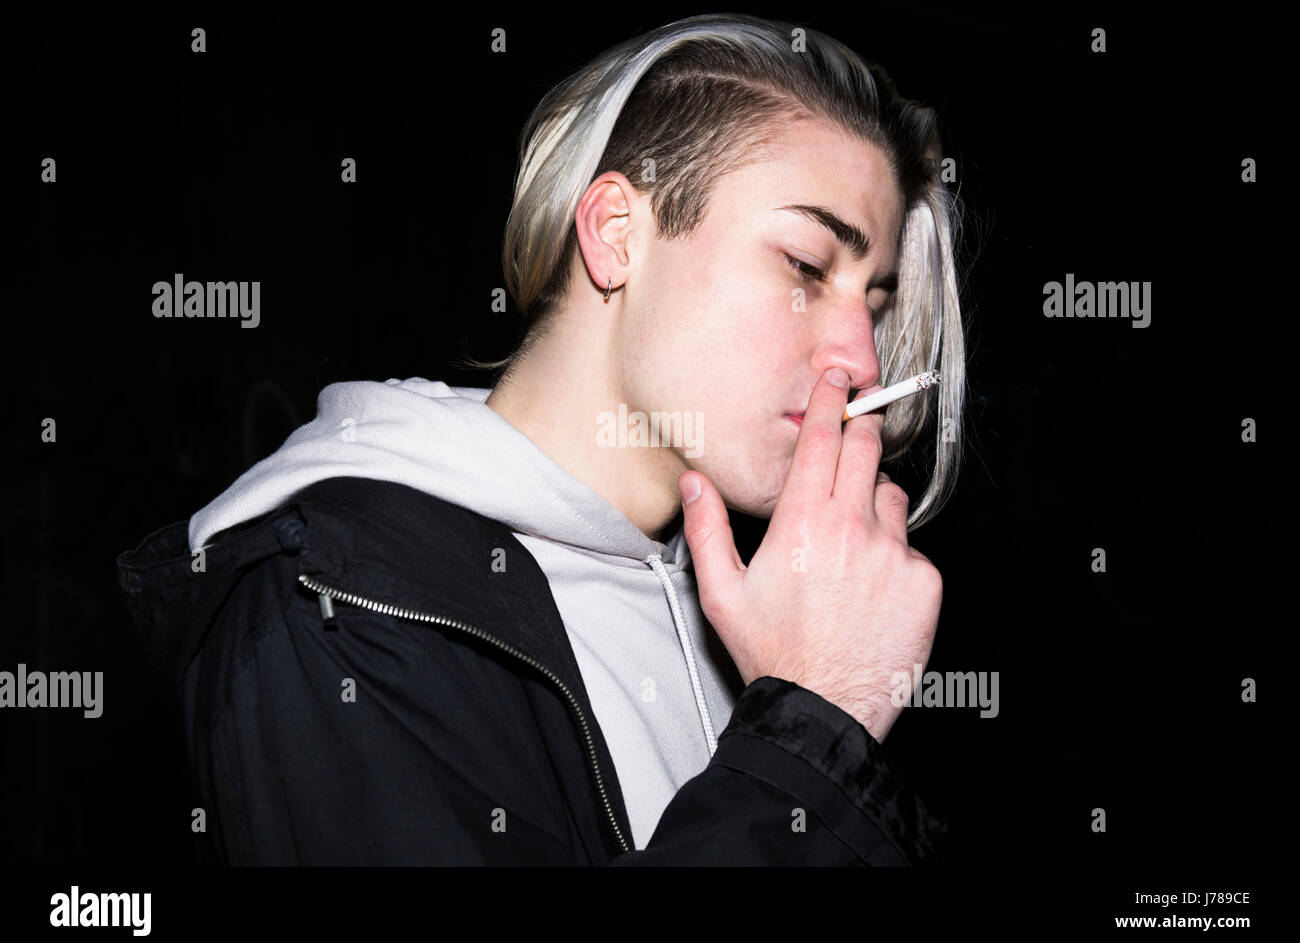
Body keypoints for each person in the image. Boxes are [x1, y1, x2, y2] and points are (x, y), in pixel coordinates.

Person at [116, 12, 967, 865]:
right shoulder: (336, 606)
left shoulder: (750, 614)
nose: (860, 359)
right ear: (615, 234)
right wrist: (816, 721)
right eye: (807, 266)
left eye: (877, 301)